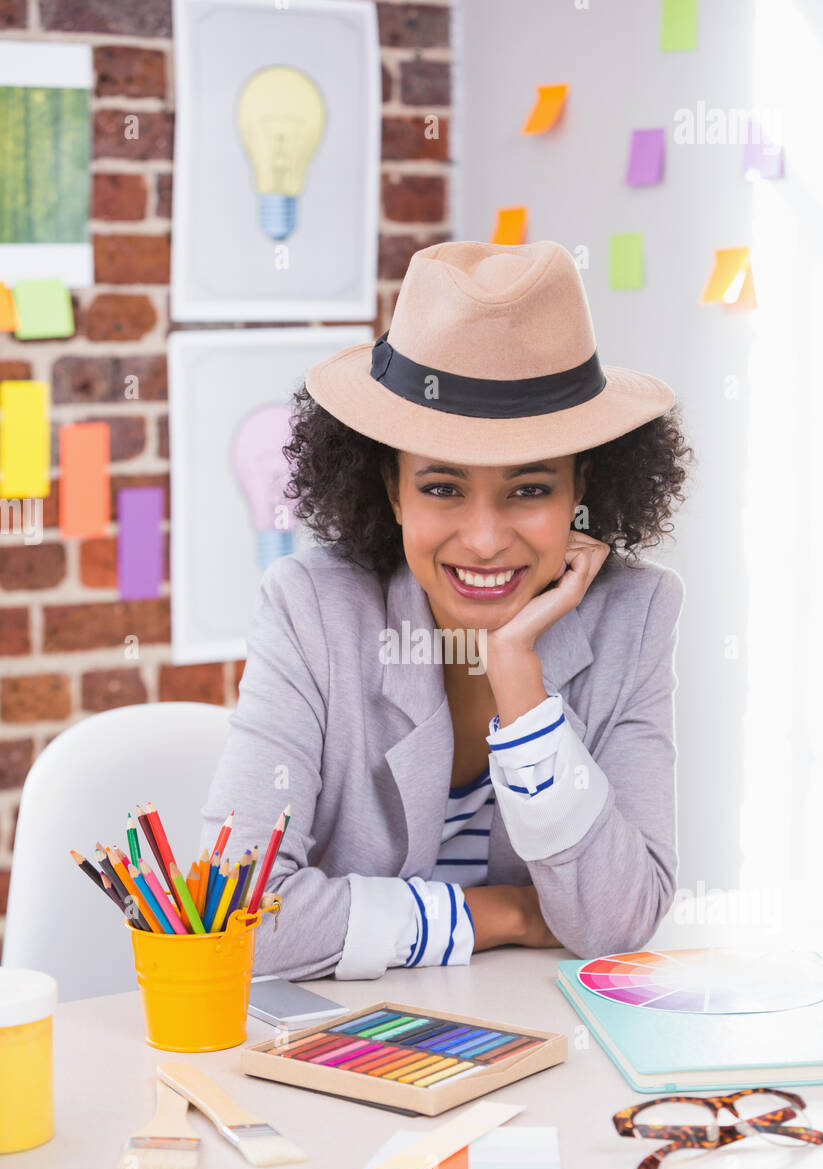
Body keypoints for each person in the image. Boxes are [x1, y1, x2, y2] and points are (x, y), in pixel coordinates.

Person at [201, 239, 693, 980]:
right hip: (344, 1057)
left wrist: (521, 684)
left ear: (582, 486)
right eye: (441, 488)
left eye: (530, 489)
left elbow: (617, 923)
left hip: (543, 1056)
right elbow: (233, 918)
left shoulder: (636, 615)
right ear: (392, 487)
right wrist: (507, 914)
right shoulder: (311, 612)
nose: (486, 540)